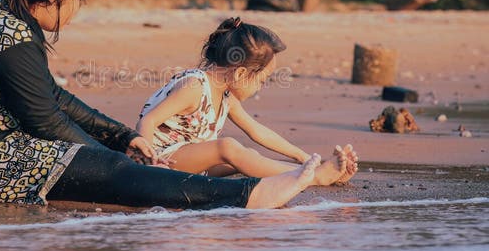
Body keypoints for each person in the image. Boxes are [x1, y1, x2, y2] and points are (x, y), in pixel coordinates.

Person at [0, 0, 326, 211]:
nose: (81, 5)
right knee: (117, 173)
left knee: (118, 157)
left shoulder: (8, 21)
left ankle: (236, 189)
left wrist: (124, 136)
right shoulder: (9, 35)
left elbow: (55, 99)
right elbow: (44, 119)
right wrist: (112, 157)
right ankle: (245, 196)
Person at [137, 17, 358, 185]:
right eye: (261, 80)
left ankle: (310, 170)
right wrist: (150, 166)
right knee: (229, 147)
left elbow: (257, 131)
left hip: (189, 160)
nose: (261, 86)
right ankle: (315, 177)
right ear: (241, 74)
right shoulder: (194, 87)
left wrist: (304, 157)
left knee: (249, 157)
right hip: (161, 162)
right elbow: (147, 121)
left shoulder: (225, 95)